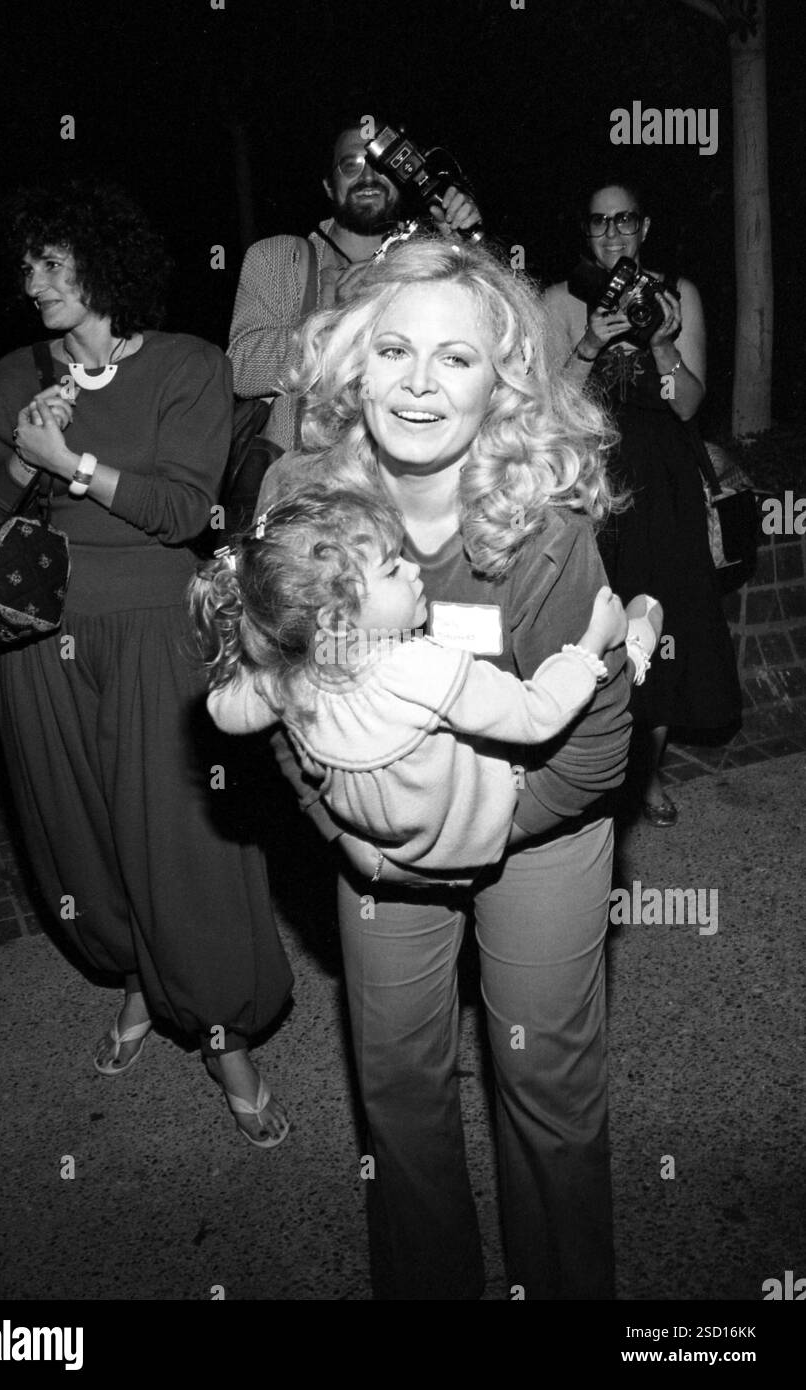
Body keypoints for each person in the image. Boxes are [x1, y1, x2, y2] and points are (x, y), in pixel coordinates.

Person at [248, 231, 634, 1298]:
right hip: (373, 832)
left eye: (455, 359)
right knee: (400, 1092)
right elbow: (279, 694)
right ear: (349, 362)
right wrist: (351, 833)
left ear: (499, 383)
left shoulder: (545, 527)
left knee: (545, 1089)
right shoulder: (299, 501)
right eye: (393, 352)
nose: (419, 385)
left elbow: (595, 745)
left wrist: (462, 834)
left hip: (538, 821)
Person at [0, 181, 292, 1148]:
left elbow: (188, 511)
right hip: (36, 644)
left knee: (178, 833)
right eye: (27, 267)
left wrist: (69, 460)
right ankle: (147, 983)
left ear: (107, 266)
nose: (35, 283)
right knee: (82, 833)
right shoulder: (14, 375)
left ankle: (222, 1025)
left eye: (54, 263)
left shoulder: (188, 364)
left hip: (157, 630)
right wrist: (23, 460)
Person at [192, 489, 661, 883]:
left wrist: (262, 648)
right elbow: (538, 713)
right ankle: (636, 645)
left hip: (385, 844)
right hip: (470, 836)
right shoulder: (419, 668)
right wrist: (593, 642)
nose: (414, 571)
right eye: (394, 569)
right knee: (617, 639)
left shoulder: (286, 675)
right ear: (337, 619)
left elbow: (221, 711)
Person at [544, 179, 740, 825]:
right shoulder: (560, 302)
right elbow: (549, 414)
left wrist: (661, 342)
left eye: (624, 219)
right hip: (588, 491)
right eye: (599, 223)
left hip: (664, 491)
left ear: (645, 226)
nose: (612, 233)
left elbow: (688, 403)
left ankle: (647, 779)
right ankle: (592, 779)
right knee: (590, 635)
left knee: (661, 635)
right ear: (587, 233)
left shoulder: (678, 296)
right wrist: (592, 343)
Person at [227, 120, 482, 451]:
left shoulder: (428, 264)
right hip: (305, 481)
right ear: (329, 186)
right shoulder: (278, 257)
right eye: (351, 166)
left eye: (380, 167)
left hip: (403, 478)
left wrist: (465, 250)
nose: (367, 178)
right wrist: (338, 318)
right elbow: (241, 369)